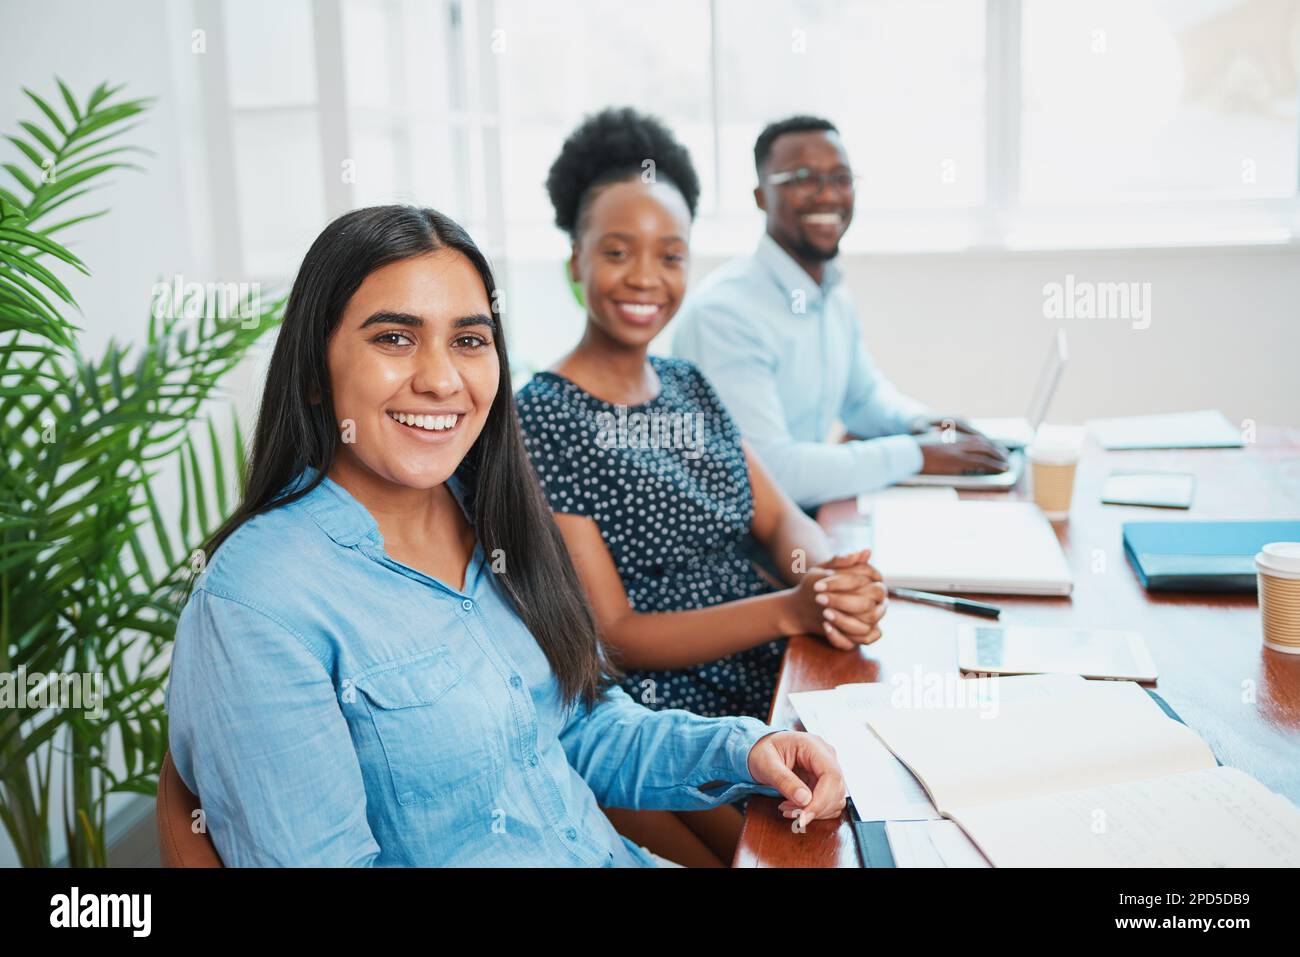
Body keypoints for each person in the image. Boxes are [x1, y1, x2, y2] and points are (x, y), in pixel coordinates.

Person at [164, 204, 846, 867]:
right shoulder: (258, 601)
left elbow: (580, 727)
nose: (440, 379)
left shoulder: (495, 515)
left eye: (469, 339)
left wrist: (748, 749)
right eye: (394, 337)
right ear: (315, 372)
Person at [517, 108, 888, 728]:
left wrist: (825, 579)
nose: (645, 277)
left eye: (670, 256)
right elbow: (616, 634)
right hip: (675, 711)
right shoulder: (545, 417)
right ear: (574, 262)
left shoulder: (689, 385)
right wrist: (793, 610)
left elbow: (780, 518)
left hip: (779, 665)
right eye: (617, 252)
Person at [672, 115, 1010, 509]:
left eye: (841, 178)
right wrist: (917, 454)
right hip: (749, 546)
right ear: (760, 196)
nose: (828, 195)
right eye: (803, 178)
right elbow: (772, 474)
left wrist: (924, 424)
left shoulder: (830, 292)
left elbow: (862, 398)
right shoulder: (725, 315)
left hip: (808, 518)